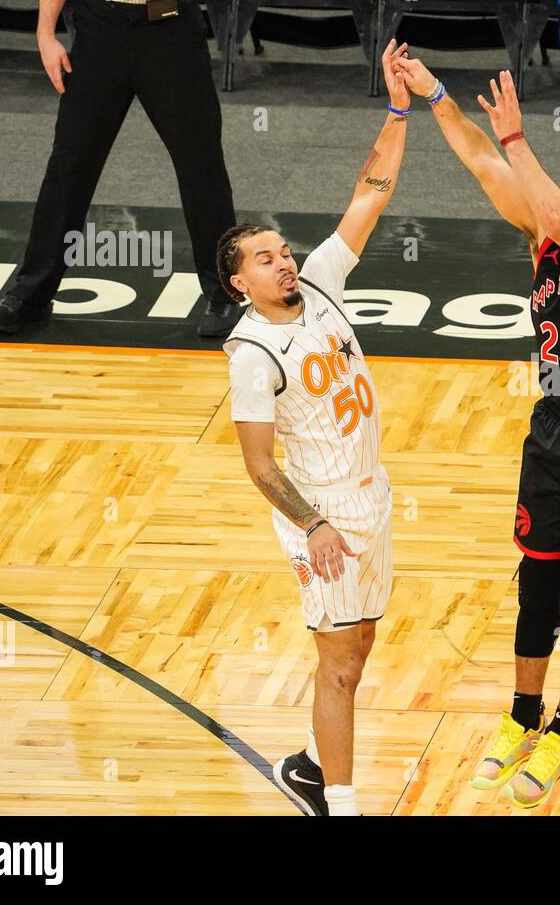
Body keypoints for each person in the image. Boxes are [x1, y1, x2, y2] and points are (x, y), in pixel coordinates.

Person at [396, 58, 560, 810]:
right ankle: (521, 719)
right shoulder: (545, 235)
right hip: (551, 433)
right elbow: (482, 160)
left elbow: (553, 212)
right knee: (536, 588)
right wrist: (437, 97)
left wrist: (518, 136)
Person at [222, 41, 409, 817]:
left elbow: (371, 191)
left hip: (372, 495)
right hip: (320, 513)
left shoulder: (324, 280)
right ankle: (338, 801)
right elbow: (260, 466)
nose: (284, 263)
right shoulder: (249, 351)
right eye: (265, 260)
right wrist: (314, 523)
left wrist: (399, 109)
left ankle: (305, 763)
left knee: (359, 649)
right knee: (337, 664)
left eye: (284, 252)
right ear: (239, 282)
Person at [0, 0, 240, 338]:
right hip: (100, 28)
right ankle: (32, 293)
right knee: (70, 162)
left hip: (171, 27)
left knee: (200, 164)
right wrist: (44, 32)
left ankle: (224, 293)